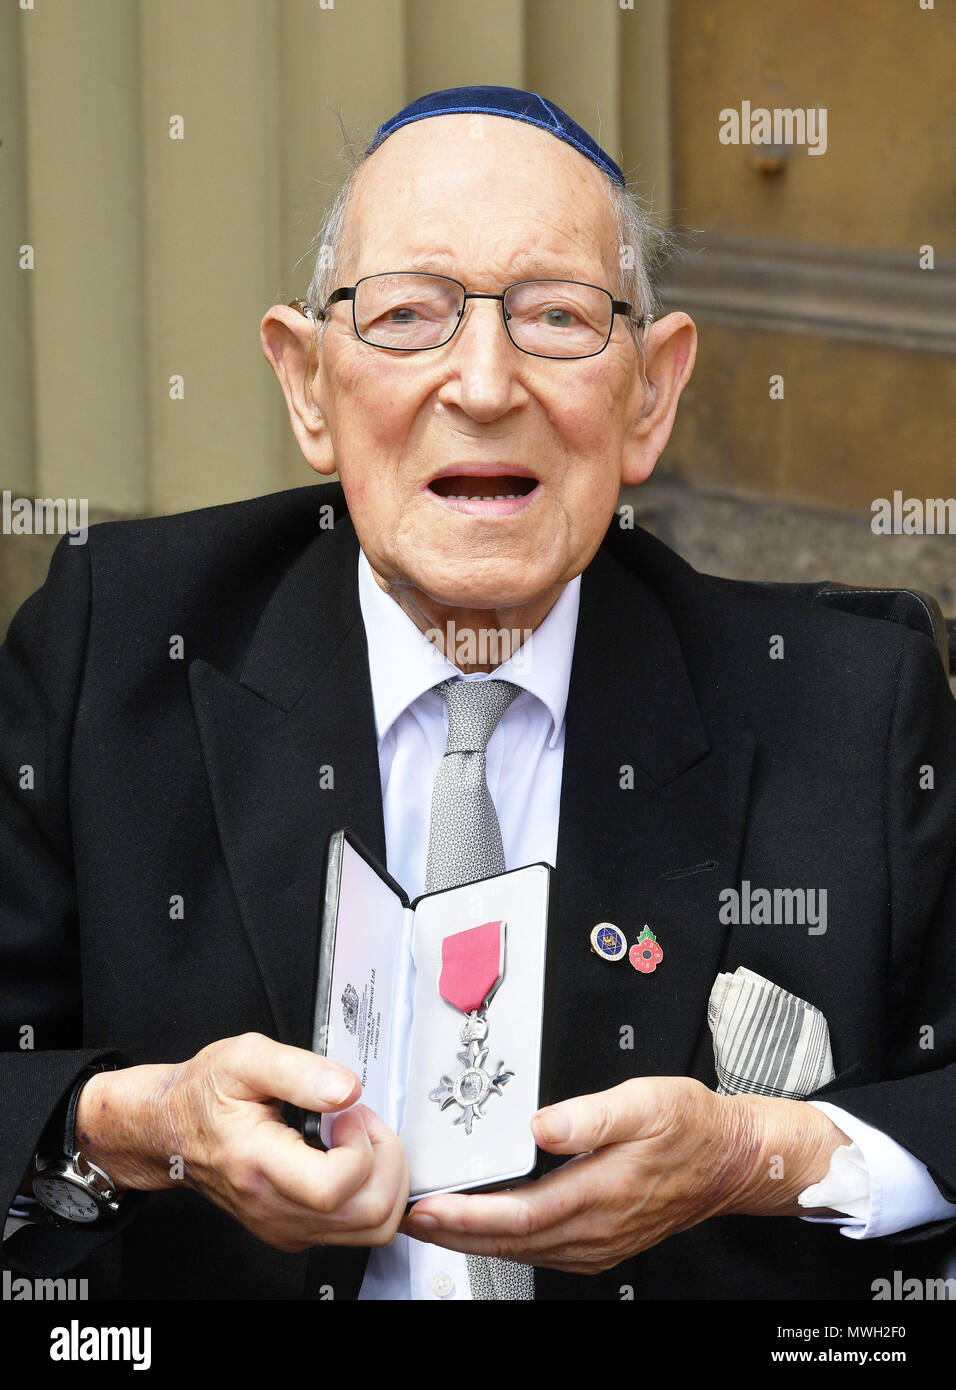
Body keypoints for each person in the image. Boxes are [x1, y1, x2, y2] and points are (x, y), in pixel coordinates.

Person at [2, 87, 955, 1302]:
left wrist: (763, 1156)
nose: (485, 382)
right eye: (408, 315)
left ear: (649, 395)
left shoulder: (847, 705)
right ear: (307, 384)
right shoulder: (113, 653)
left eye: (556, 316)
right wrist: (139, 1127)